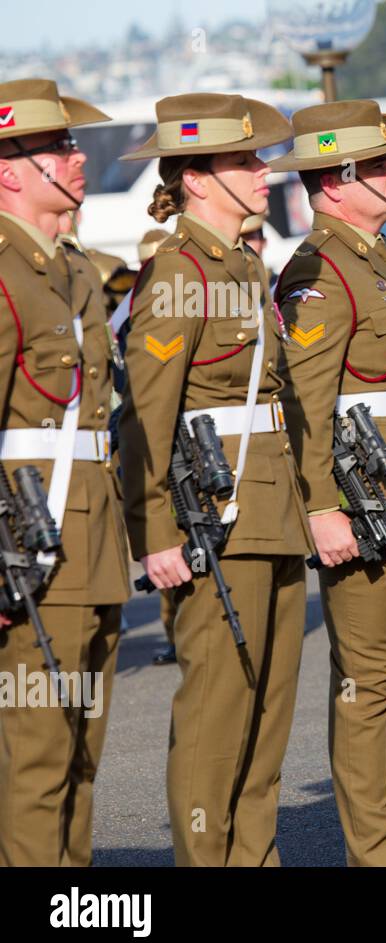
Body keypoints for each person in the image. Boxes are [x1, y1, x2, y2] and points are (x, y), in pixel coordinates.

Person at [117, 93, 313, 866]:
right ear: (198, 179)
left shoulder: (241, 261)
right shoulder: (177, 270)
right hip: (213, 512)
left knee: (267, 710)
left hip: (271, 507)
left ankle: (252, 857)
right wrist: (155, 529)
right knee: (216, 710)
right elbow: (144, 413)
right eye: (245, 161)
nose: (263, 172)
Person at [271, 100, 386, 867]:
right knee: (366, 684)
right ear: (340, 179)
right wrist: (321, 505)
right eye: (382, 164)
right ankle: (379, 851)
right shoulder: (319, 270)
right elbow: (306, 406)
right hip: (365, 503)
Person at [0, 77, 128, 866]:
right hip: (29, 545)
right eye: (56, 146)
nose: (75, 159)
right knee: (38, 756)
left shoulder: (76, 271)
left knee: (83, 751)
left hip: (92, 540)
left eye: (72, 144)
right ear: (10, 167)